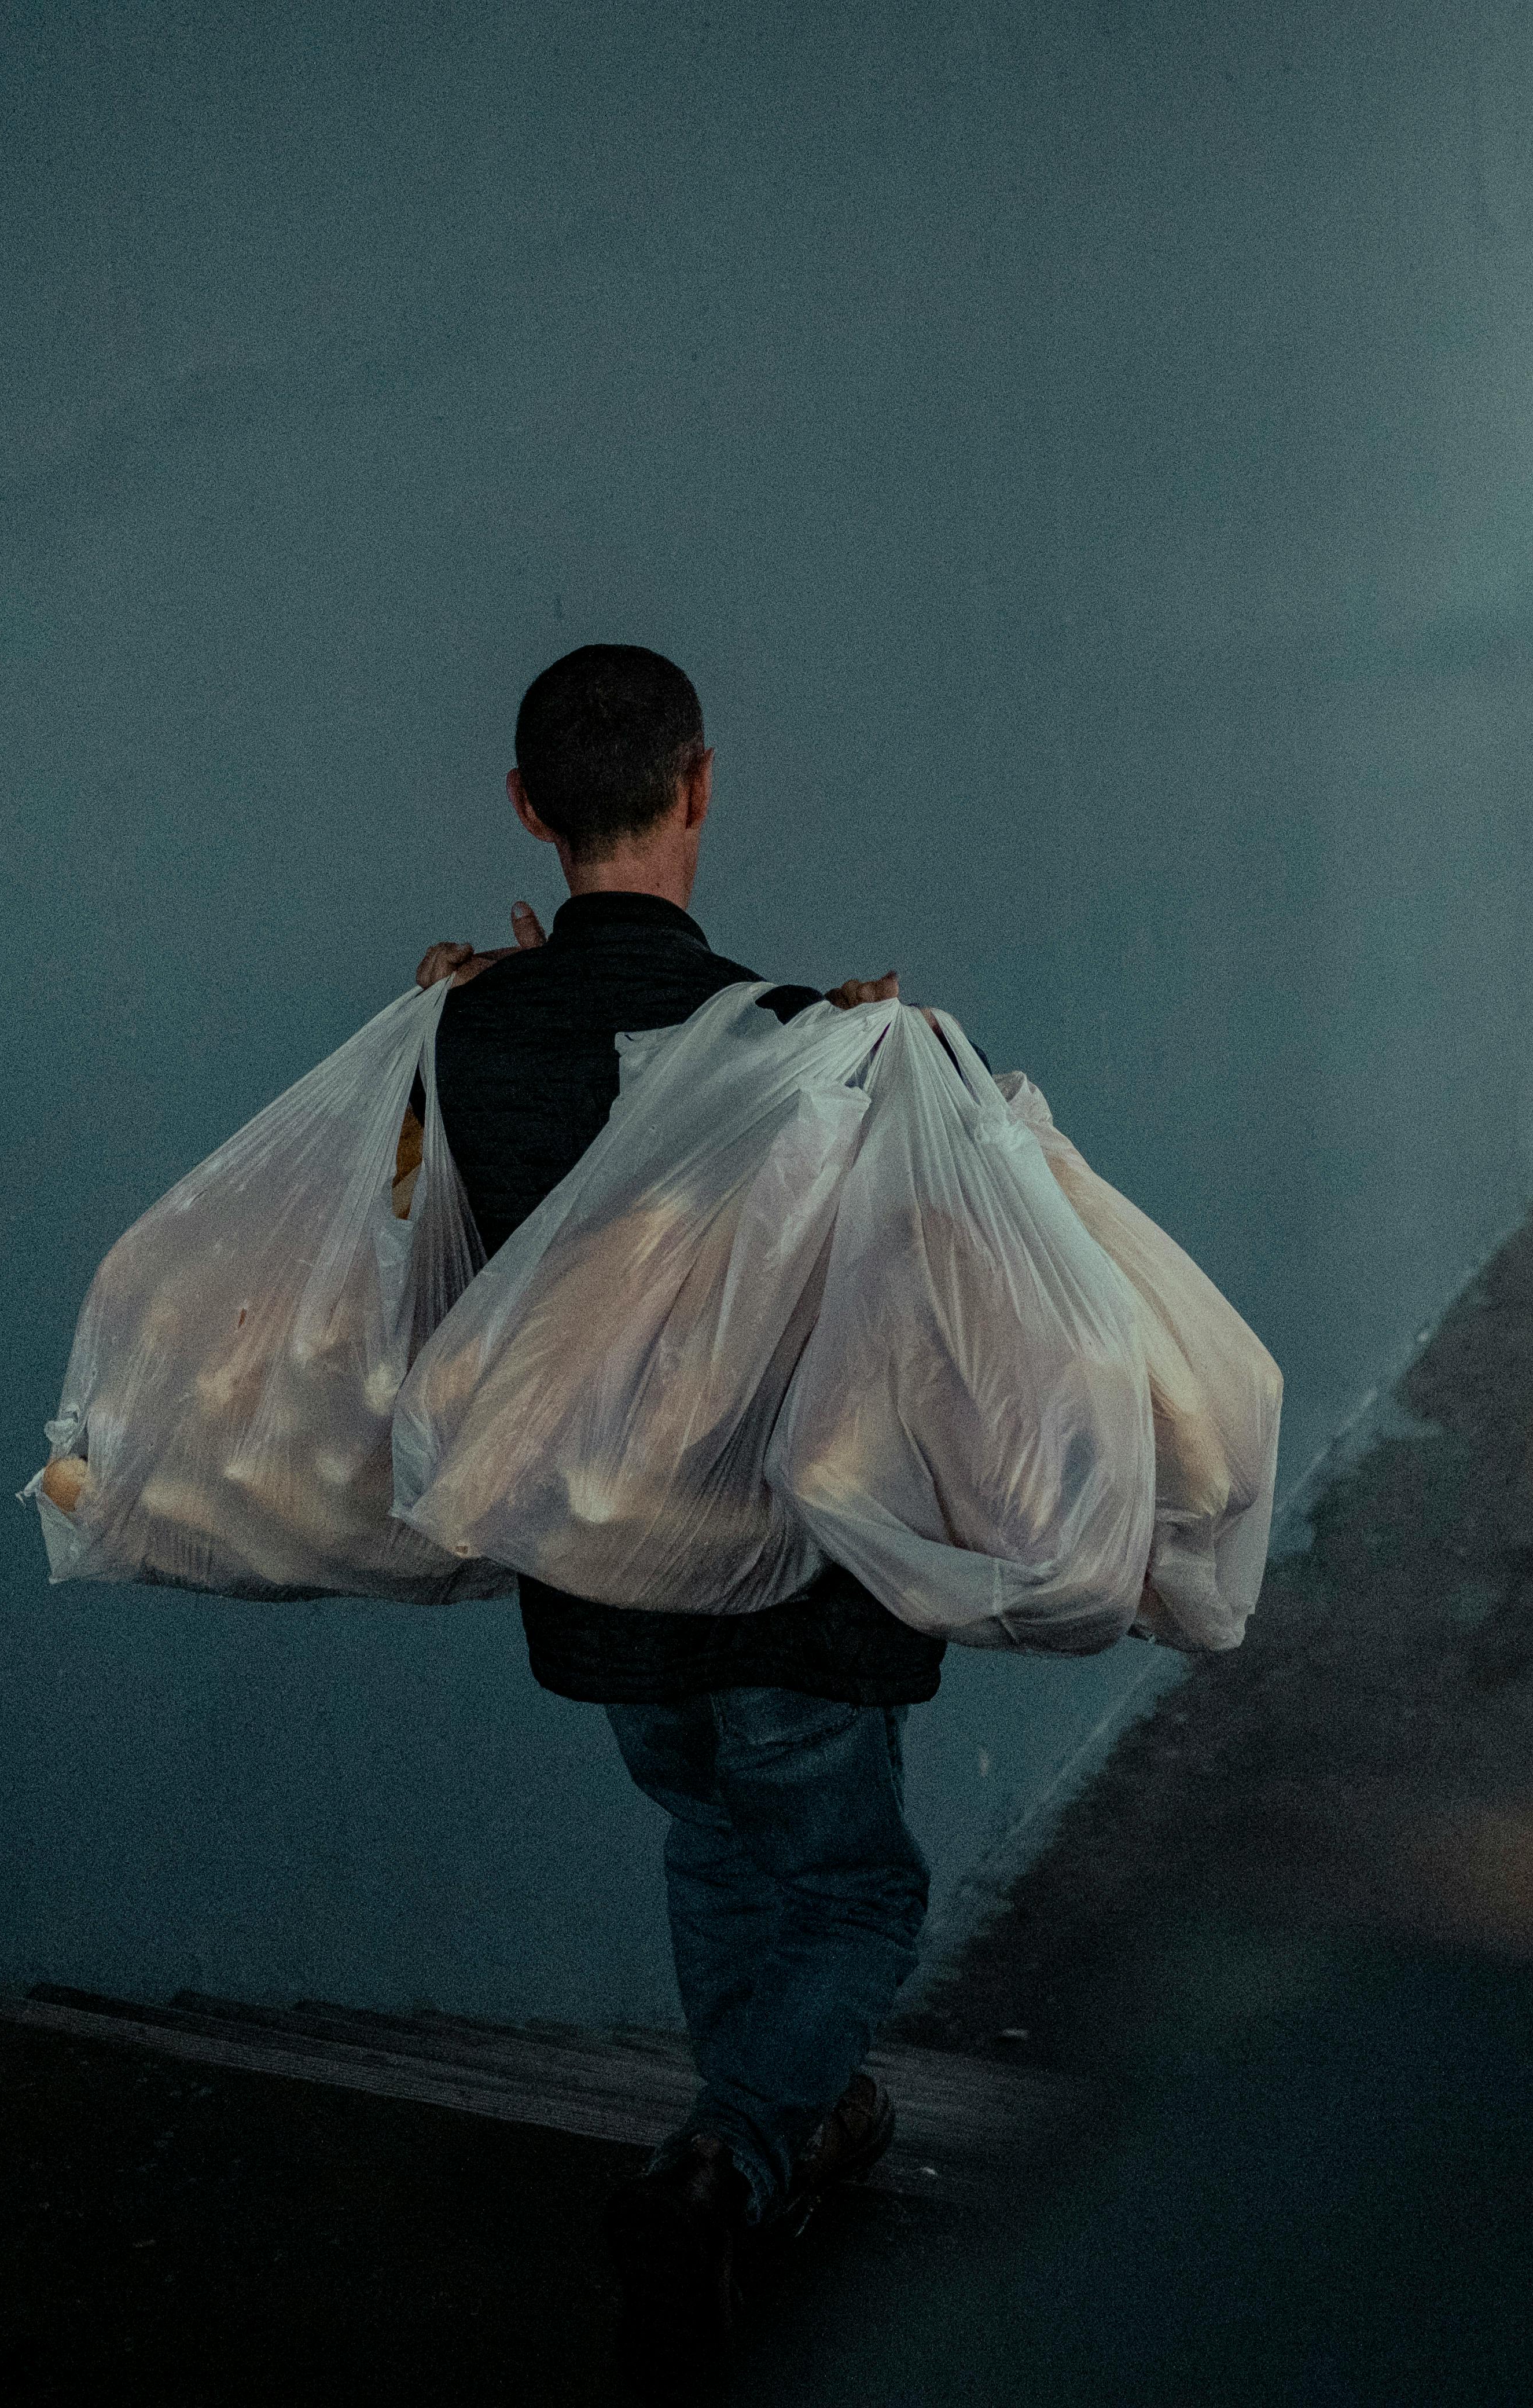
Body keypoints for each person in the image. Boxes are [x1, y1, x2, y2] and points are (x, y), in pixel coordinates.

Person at [410, 643, 923, 2402]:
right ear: (702, 787)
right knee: (855, 1890)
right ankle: (720, 2166)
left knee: (709, 1850)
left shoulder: (462, 1029)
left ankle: (764, 2139)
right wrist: (880, 1056)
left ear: (527, 812)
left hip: (598, 1567)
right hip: (771, 1573)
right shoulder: (800, 1048)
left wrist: (489, 999)